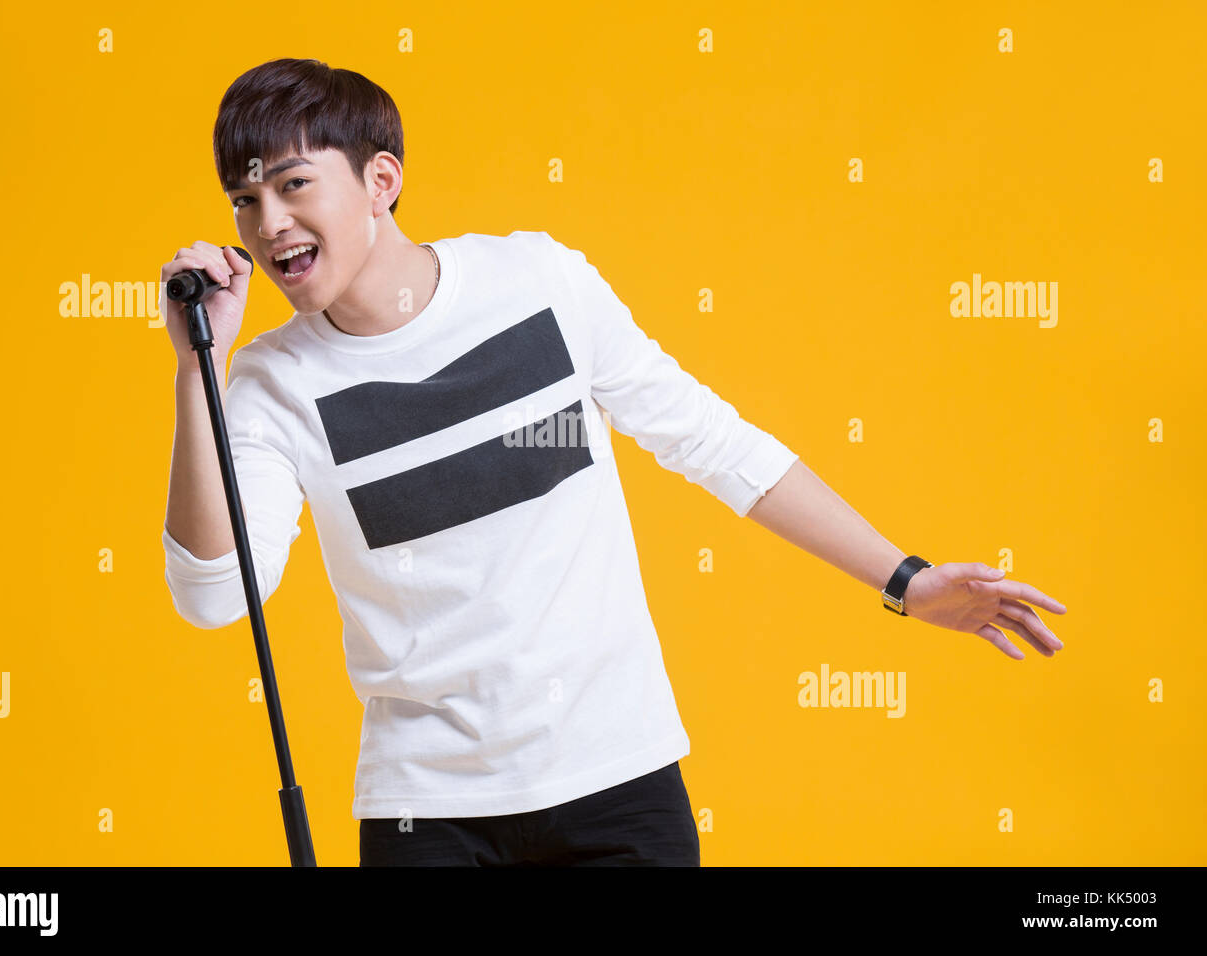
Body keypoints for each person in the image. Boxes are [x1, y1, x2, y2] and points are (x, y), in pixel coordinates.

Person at [160, 58, 1068, 867]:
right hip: (424, 813)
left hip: (617, 781)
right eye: (245, 201)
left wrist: (906, 581)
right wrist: (200, 367)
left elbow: (711, 440)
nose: (267, 223)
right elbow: (213, 597)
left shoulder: (537, 284)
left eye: (291, 184)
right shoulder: (272, 382)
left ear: (379, 181)